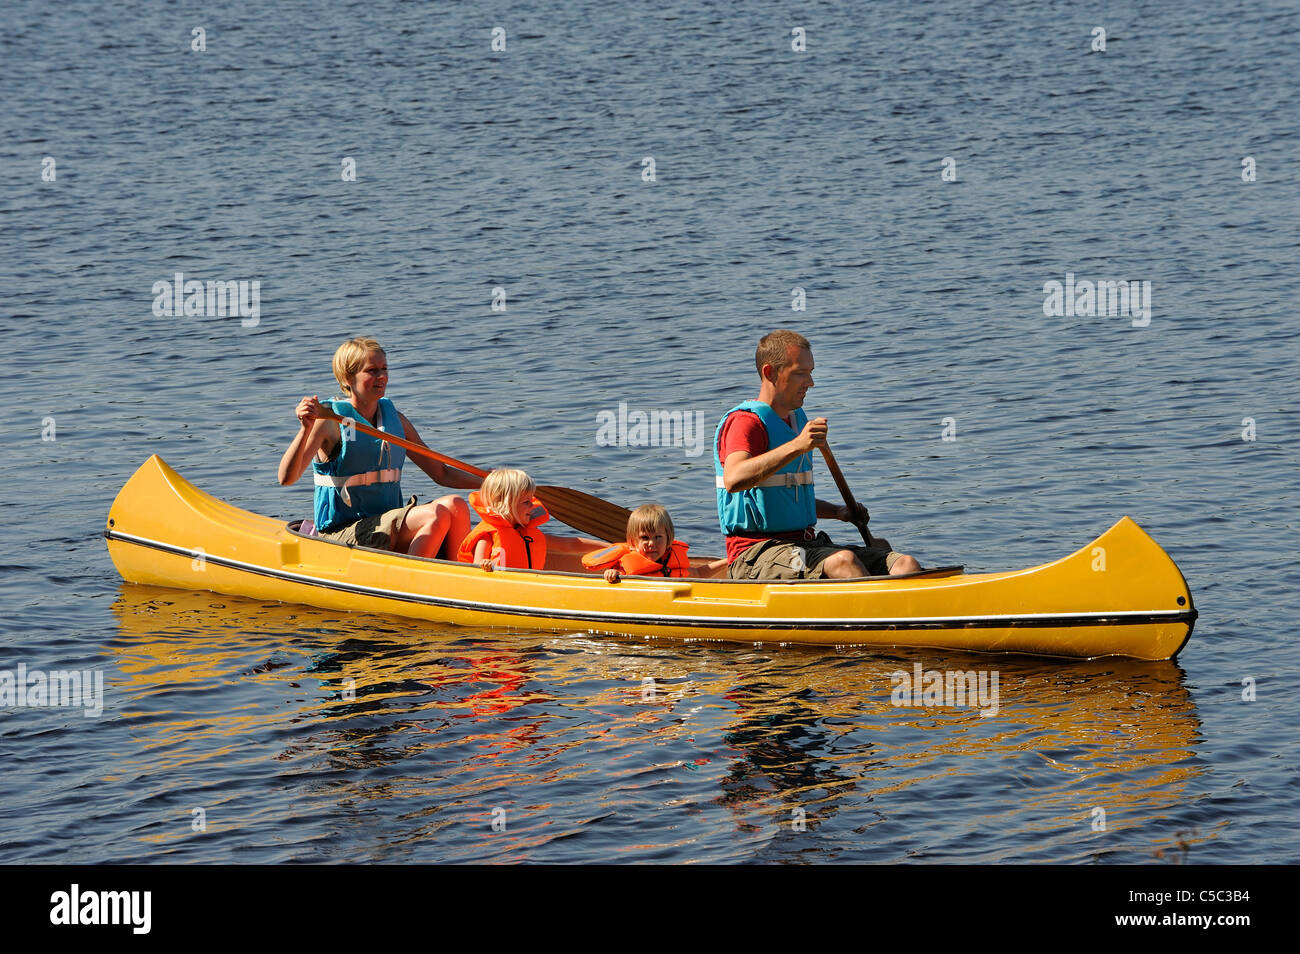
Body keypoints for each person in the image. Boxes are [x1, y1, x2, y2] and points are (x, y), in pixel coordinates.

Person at [714, 329, 922, 580]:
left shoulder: (794, 422)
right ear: (770, 372)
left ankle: (905, 614)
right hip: (756, 554)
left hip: (804, 545)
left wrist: (837, 511)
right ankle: (880, 616)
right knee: (843, 562)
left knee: (904, 564)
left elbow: (782, 500)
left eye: (810, 373)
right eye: (800, 373)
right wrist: (798, 445)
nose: (810, 383)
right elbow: (734, 479)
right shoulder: (745, 423)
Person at [278, 337, 480, 558]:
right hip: (343, 533)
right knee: (436, 514)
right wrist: (305, 429)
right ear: (348, 378)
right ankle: (410, 583)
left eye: (384, 368)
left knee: (457, 506)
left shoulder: (396, 421)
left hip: (387, 524)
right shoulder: (329, 422)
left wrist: (492, 482)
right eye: (372, 370)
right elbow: (286, 478)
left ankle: (460, 576)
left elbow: (442, 473)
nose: (382, 376)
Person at [458, 468, 605, 570]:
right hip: (501, 591)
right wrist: (484, 565)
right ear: (504, 504)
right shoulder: (488, 536)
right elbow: (476, 570)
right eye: (526, 502)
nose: (532, 506)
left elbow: (570, 545)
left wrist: (609, 547)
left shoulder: (528, 533)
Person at [582, 504, 727, 583]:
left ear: (668, 539)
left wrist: (728, 561)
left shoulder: (672, 561)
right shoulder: (623, 569)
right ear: (633, 542)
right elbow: (614, 573)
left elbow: (700, 573)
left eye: (658, 537)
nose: (652, 543)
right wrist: (611, 574)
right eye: (644, 538)